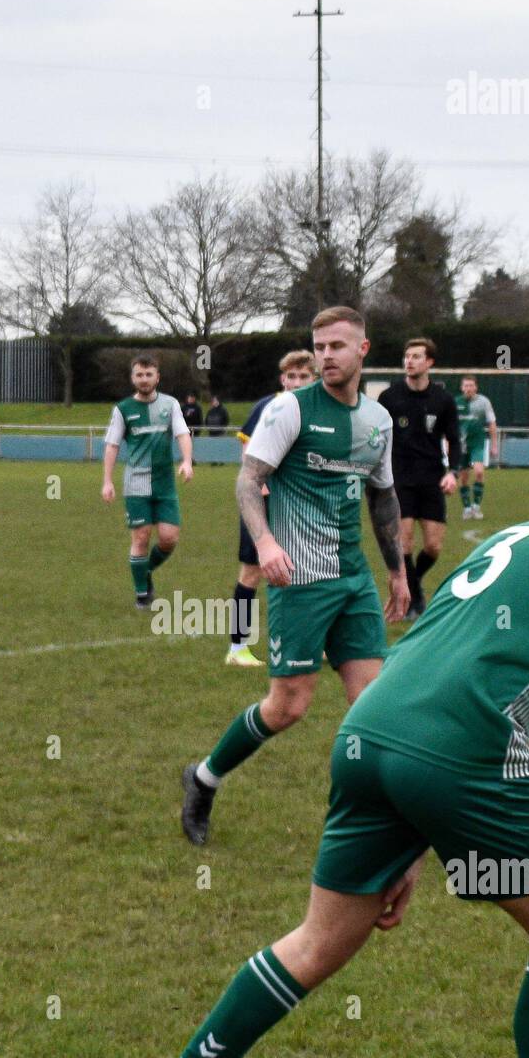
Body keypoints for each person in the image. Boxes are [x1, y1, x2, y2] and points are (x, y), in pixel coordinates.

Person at [127, 422, 529, 1058]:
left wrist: (412, 835)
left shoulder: (510, 536)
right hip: (465, 747)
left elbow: (435, 653)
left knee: (320, 942)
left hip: (370, 729)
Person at [179, 307, 407, 846]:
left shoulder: (378, 422)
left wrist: (397, 572)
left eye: (337, 346)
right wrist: (264, 542)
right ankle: (204, 777)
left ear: (362, 351)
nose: (327, 355)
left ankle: (372, 820)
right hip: (299, 580)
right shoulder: (289, 409)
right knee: (289, 706)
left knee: (374, 705)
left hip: (353, 580)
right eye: (319, 345)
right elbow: (247, 479)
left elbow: (383, 495)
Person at [225, 349, 317, 667]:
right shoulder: (268, 407)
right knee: (252, 571)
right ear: (282, 379)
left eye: (303, 376)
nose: (296, 382)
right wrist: (260, 485)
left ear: (314, 378)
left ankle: (307, 644)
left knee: (305, 572)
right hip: (262, 502)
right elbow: (247, 448)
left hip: (300, 504)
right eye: (291, 376)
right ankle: (238, 648)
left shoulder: (319, 410)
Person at [101, 354, 193, 610]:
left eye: (148, 374)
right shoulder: (123, 409)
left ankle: (144, 572)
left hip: (165, 484)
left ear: (157, 377)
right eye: (139, 375)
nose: (144, 379)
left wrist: (186, 461)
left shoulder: (170, 405)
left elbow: (183, 433)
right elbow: (112, 446)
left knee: (169, 538)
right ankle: (143, 595)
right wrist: (107, 481)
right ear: (133, 378)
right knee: (141, 537)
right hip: (136, 483)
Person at [377, 336, 461, 619]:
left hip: (432, 478)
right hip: (398, 478)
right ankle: (413, 599)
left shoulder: (443, 400)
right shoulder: (389, 398)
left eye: (416, 356)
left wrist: (453, 472)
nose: (409, 361)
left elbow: (454, 440)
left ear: (429, 362)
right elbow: (376, 436)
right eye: (407, 356)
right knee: (405, 543)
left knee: (434, 547)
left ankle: (413, 584)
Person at [456, 376, 498, 519]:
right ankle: (467, 508)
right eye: (466, 386)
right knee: (463, 478)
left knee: (479, 472)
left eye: (471, 385)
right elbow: (449, 426)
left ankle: (476, 506)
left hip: (477, 443)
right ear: (462, 388)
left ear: (476, 387)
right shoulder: (456, 403)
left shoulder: (483, 402)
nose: (468, 388)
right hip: (461, 445)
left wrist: (494, 445)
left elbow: (492, 423)